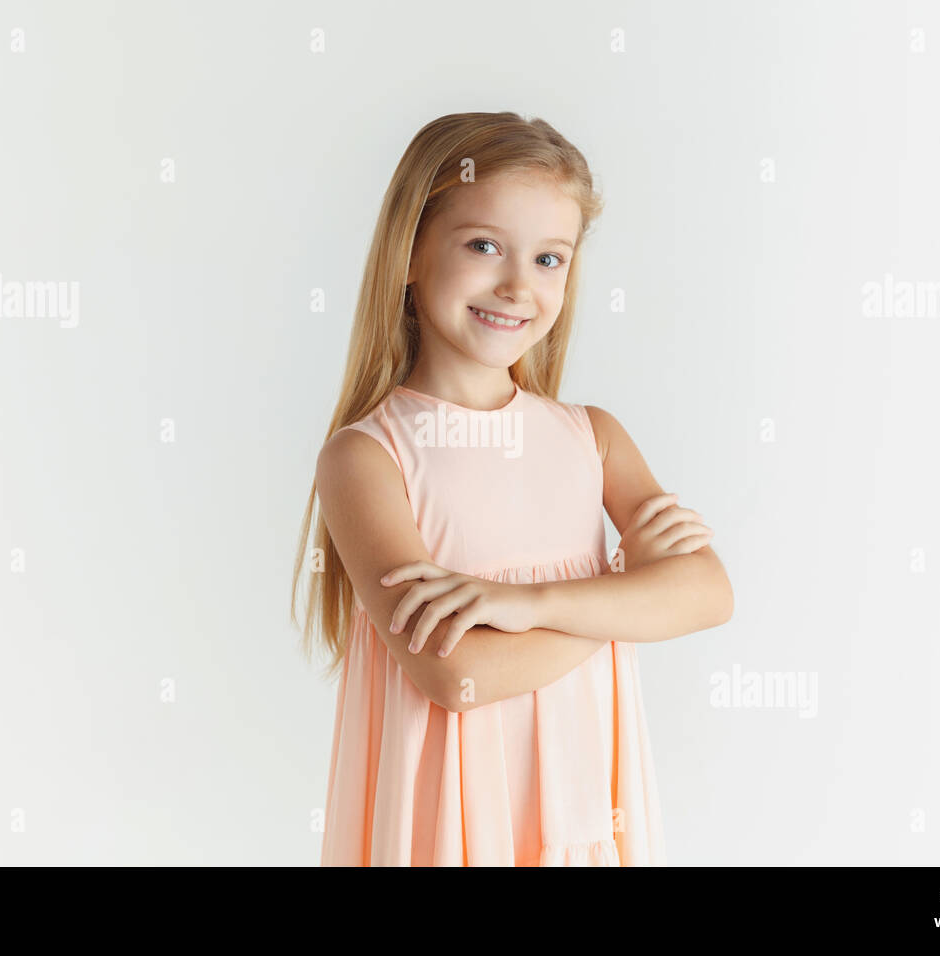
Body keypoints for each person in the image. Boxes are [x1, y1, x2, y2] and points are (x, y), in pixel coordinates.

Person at [291, 111, 734, 866]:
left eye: (549, 259)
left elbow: (706, 594)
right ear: (410, 252)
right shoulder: (367, 459)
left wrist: (522, 606)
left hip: (588, 812)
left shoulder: (591, 436)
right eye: (483, 245)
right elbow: (458, 671)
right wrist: (622, 594)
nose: (516, 285)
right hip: (454, 826)